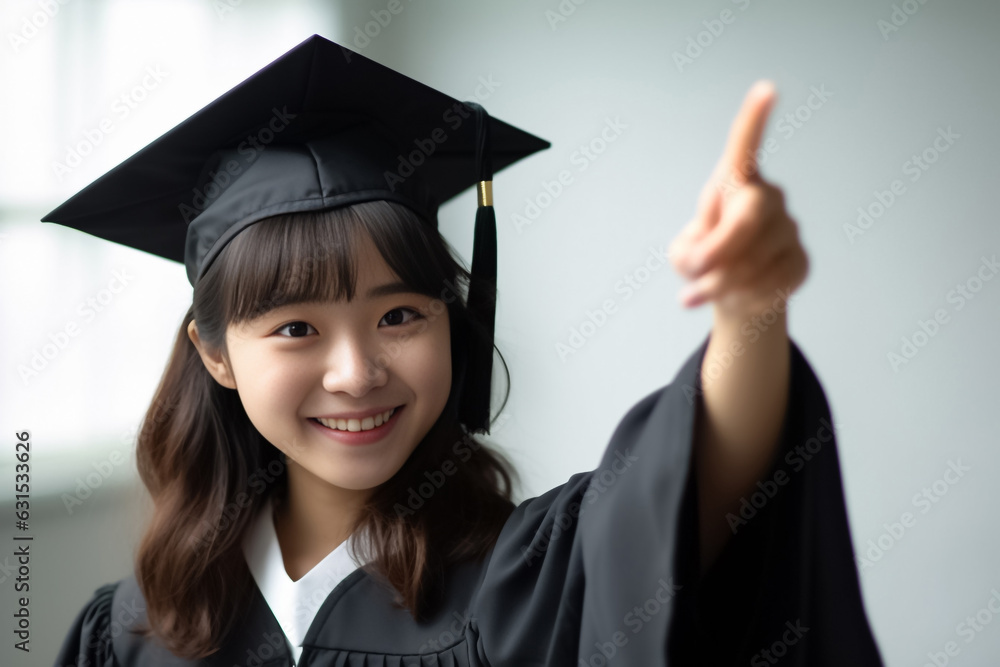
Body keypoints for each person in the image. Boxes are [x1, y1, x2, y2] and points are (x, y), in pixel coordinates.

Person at [46, 34, 884, 666]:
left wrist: (747, 311)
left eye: (399, 315)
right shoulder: (131, 631)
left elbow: (692, 489)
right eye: (296, 328)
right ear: (216, 353)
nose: (357, 373)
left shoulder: (522, 584)